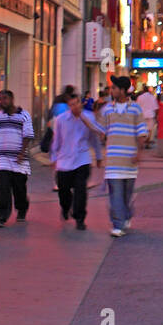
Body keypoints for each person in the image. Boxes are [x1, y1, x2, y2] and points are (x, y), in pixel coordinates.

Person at [51, 91, 105, 230]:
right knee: (64, 190)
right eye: (71, 105)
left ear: (81, 103)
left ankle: (80, 218)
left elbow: (94, 138)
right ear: (68, 106)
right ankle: (65, 207)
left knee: (81, 189)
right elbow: (56, 140)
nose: (74, 107)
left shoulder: (88, 118)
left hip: (82, 159)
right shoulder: (61, 119)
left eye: (76, 103)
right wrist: (53, 157)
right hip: (64, 160)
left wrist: (98, 156)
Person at [101, 76, 146, 237]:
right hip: (113, 161)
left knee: (126, 194)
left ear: (122, 90)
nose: (111, 91)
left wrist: (139, 153)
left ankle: (126, 215)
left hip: (129, 161)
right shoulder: (107, 109)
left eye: (114, 88)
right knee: (115, 194)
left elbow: (142, 133)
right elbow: (102, 131)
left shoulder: (135, 109)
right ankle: (118, 224)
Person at [0, 90, 33, 227]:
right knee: (2, 188)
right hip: (1, 158)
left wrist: (21, 153)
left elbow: (28, 135)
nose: (3, 101)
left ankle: (22, 208)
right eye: (0, 99)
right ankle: (1, 216)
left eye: (5, 98)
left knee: (19, 188)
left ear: (12, 99)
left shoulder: (24, 115)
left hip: (18, 159)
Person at [136, 84, 160, 149]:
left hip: (142, 115)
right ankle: (147, 143)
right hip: (150, 115)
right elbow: (156, 108)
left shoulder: (140, 97)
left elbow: (137, 107)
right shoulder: (152, 97)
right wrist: (157, 115)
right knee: (150, 130)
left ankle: (142, 142)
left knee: (142, 130)